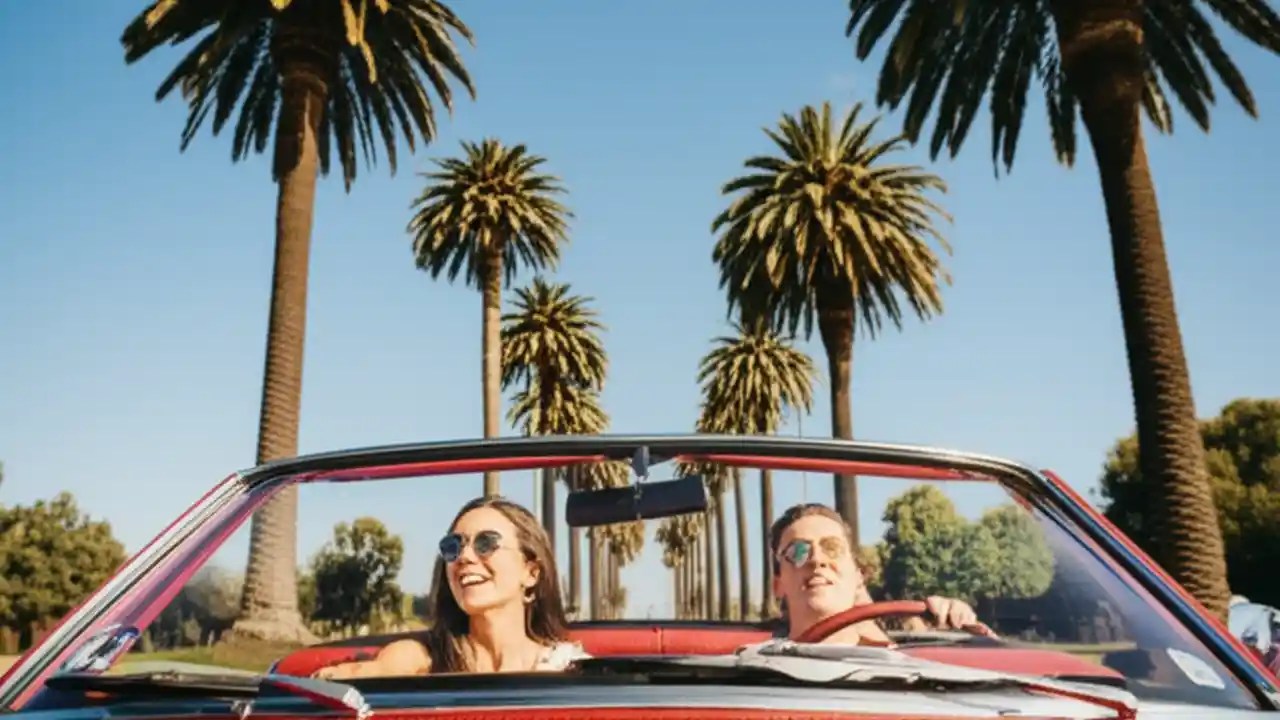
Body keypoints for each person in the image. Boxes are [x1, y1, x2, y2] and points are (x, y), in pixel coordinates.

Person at [315, 496, 588, 677]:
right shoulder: (425, 658)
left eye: (486, 543)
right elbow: (372, 674)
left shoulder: (570, 669)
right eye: (453, 546)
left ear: (531, 572)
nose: (464, 557)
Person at [769, 502, 993, 646]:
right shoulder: (753, 672)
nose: (817, 559)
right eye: (798, 551)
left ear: (858, 577)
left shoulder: (910, 663)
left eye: (832, 548)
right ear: (777, 585)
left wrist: (965, 625)